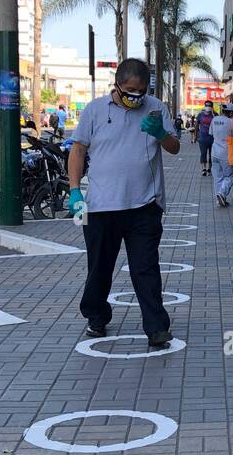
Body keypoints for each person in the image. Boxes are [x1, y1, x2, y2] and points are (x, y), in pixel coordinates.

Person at [67, 58, 181, 349]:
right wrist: (74, 191)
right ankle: (96, 315)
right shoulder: (94, 110)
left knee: (145, 268)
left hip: (145, 204)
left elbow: (174, 147)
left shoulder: (155, 107)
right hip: (101, 205)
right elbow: (78, 150)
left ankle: (156, 328)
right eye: (130, 90)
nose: (136, 96)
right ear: (117, 85)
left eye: (141, 91)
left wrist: (160, 133)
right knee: (100, 266)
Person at [210, 102, 233, 206]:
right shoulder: (231, 122)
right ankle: (222, 193)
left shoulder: (214, 119)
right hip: (227, 153)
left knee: (217, 177)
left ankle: (219, 198)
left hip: (214, 152)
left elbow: (211, 133)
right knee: (230, 176)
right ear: (230, 113)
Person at [197, 100, 216, 177]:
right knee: (203, 153)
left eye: (209, 105)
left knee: (212, 154)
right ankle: (203, 169)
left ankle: (209, 169)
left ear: (212, 107)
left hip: (213, 138)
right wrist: (196, 136)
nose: (208, 107)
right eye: (206, 105)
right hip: (202, 137)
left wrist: (213, 114)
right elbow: (196, 125)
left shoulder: (215, 115)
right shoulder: (200, 115)